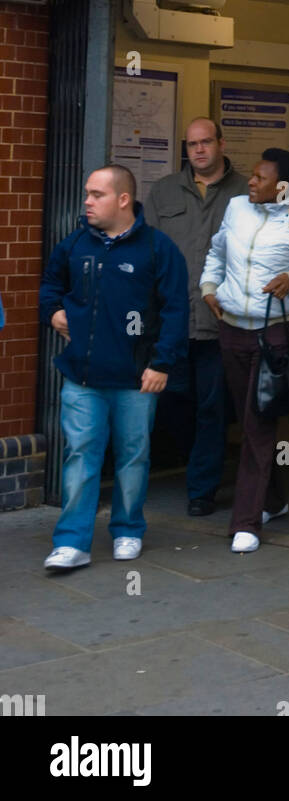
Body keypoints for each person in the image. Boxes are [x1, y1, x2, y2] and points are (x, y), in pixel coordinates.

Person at [38, 166, 188, 571]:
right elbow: (50, 285)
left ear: (123, 199)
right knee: (80, 456)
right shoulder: (74, 246)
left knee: (132, 458)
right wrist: (52, 313)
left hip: (137, 379)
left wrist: (161, 364)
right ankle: (72, 542)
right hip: (82, 377)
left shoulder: (158, 249)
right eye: (87, 193)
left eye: (96, 194)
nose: (87, 201)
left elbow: (176, 309)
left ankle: (127, 530)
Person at [200, 148, 289, 553]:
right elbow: (217, 252)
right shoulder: (237, 208)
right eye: (252, 176)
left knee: (258, 426)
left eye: (259, 178)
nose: (250, 182)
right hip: (232, 329)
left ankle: (247, 523)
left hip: (274, 334)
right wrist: (208, 288)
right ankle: (273, 499)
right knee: (249, 419)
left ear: (282, 187)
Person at [144, 118, 247, 517]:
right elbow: (148, 250)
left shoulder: (245, 191)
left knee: (213, 407)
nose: (199, 150)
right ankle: (194, 467)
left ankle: (201, 489)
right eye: (192, 145)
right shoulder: (165, 190)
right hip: (172, 320)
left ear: (222, 143)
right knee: (172, 401)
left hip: (222, 320)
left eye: (206, 142)